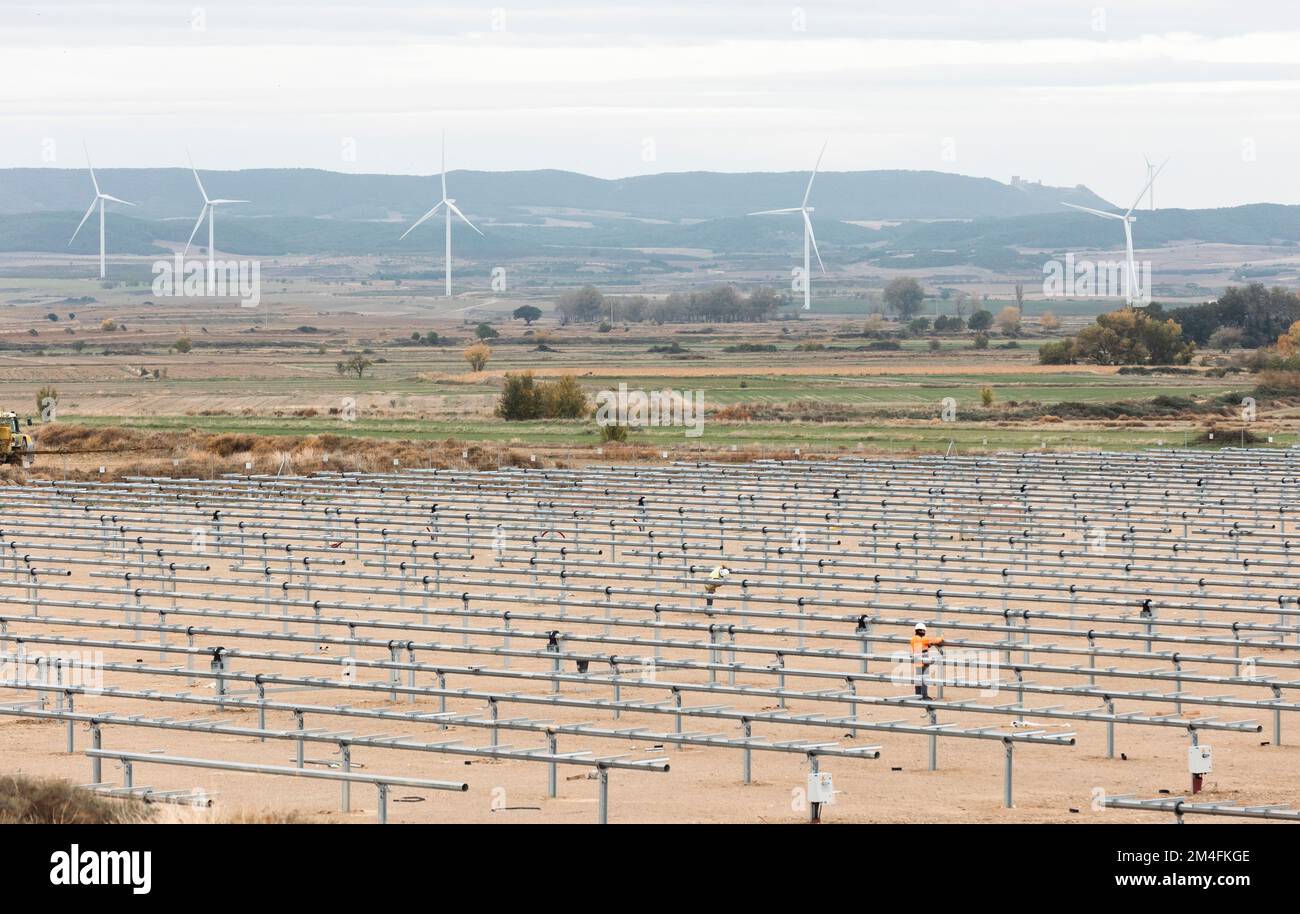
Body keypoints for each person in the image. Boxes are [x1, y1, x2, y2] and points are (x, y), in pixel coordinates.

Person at [910, 621, 944, 700]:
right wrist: (942, 637)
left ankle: (917, 696)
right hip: (924, 661)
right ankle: (924, 697)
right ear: (922, 631)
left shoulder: (913, 639)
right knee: (925, 679)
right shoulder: (923, 639)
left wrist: (929, 645)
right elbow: (936, 640)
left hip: (917, 661)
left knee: (918, 679)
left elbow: (924, 645)